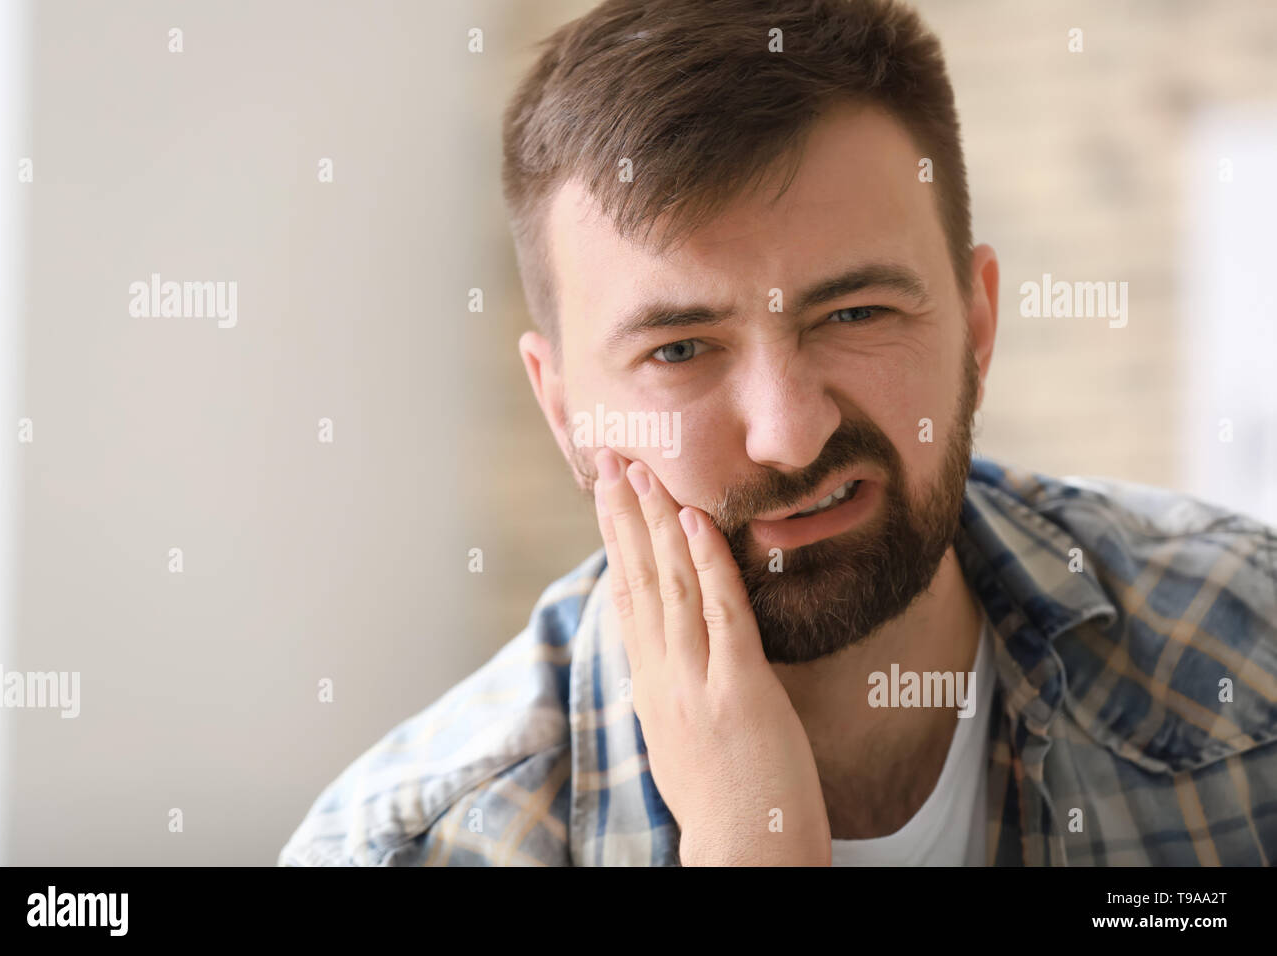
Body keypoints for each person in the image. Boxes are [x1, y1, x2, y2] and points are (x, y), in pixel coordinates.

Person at [279, 0, 1277, 866]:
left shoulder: (1253, 644)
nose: (790, 435)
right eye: (679, 349)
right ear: (565, 408)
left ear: (976, 323)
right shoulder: (411, 846)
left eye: (854, 315)